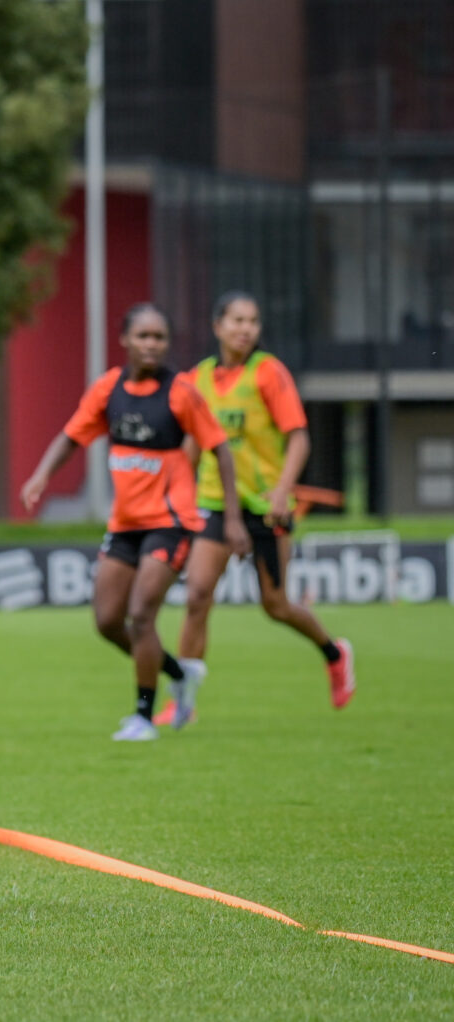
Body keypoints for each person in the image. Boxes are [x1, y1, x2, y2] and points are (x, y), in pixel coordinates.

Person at [21, 303, 249, 741]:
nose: (152, 344)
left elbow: (219, 449)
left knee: (142, 614)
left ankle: (144, 716)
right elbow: (71, 436)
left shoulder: (181, 392)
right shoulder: (109, 389)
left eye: (159, 337)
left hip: (171, 520)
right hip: (125, 522)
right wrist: (41, 476)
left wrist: (234, 519)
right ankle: (178, 673)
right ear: (125, 339)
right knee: (108, 621)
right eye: (143, 336)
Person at [170, 291, 355, 719]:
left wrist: (281, 490)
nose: (245, 329)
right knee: (197, 594)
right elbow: (193, 445)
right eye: (236, 320)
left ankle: (334, 653)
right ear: (217, 326)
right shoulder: (197, 379)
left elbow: (299, 437)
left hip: (266, 508)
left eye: (252, 321)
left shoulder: (268, 373)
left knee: (275, 606)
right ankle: (183, 700)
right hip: (215, 502)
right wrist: (177, 495)